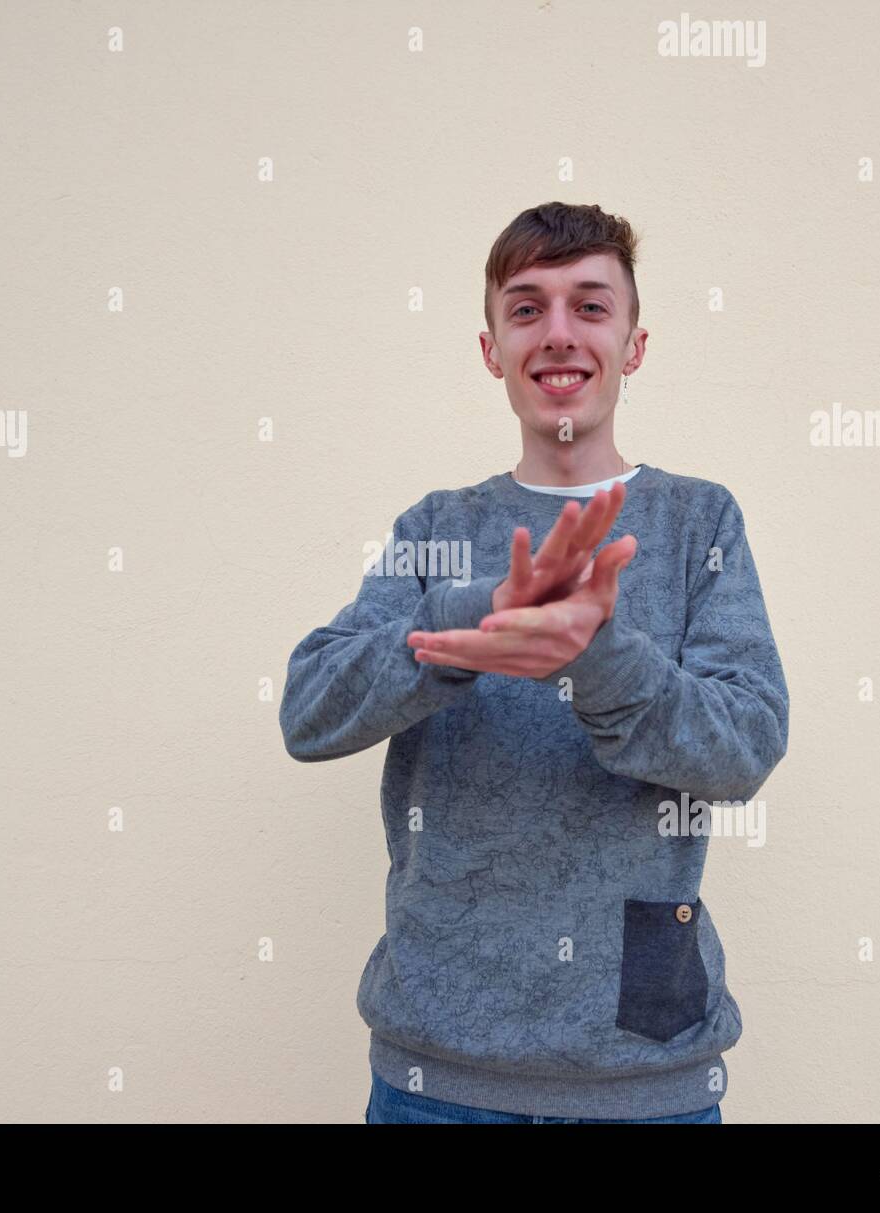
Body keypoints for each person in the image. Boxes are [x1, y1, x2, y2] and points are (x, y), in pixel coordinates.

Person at [279, 201, 789, 1124]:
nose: (559, 333)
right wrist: (470, 616)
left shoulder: (698, 522)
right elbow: (309, 711)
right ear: (491, 348)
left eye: (591, 306)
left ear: (634, 345)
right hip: (435, 1081)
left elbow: (745, 746)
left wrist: (599, 653)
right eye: (527, 308)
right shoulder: (435, 529)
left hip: (645, 1081)